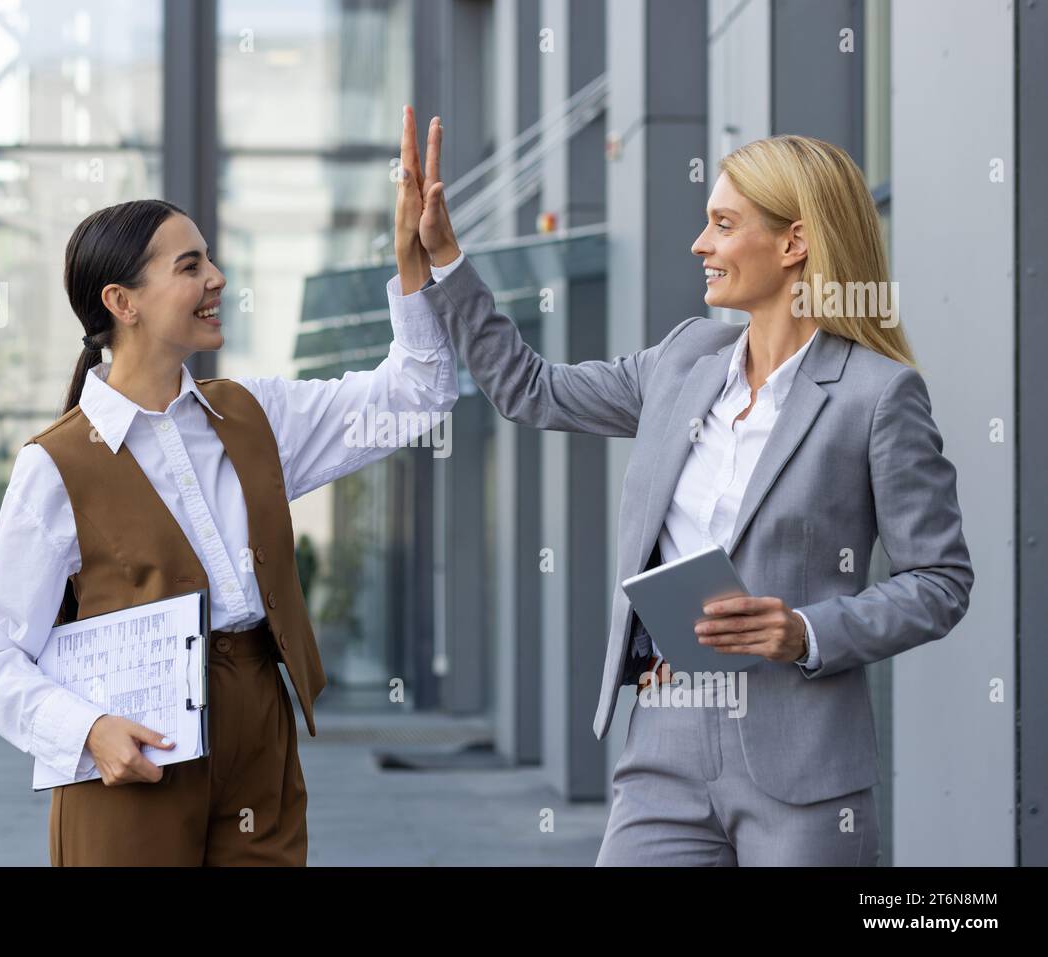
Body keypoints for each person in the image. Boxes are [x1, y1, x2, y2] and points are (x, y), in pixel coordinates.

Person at [402, 123, 973, 866]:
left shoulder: (877, 394)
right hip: (663, 745)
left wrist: (807, 629)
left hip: (801, 766)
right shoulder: (684, 360)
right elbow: (528, 388)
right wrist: (445, 255)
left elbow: (941, 581)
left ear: (795, 242)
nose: (701, 244)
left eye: (724, 224)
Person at [0, 107, 456, 866]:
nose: (217, 278)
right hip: (132, 748)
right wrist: (85, 730)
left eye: (208, 259)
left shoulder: (254, 416)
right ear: (123, 303)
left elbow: (417, 393)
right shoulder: (55, 466)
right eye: (190, 267)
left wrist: (415, 272)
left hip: (258, 719)